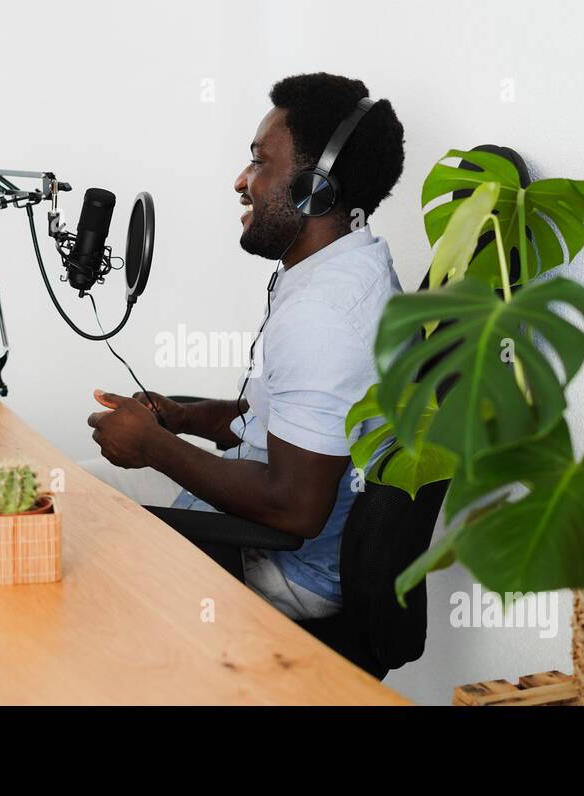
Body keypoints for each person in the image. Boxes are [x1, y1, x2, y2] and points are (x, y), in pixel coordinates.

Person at [87, 72, 405, 620]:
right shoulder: (349, 268)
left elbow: (294, 506)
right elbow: (295, 424)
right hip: (263, 534)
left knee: (68, 522)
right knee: (71, 482)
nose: (241, 180)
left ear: (315, 187)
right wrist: (182, 418)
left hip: (283, 568)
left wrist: (151, 447)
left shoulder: (323, 316)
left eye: (259, 162)